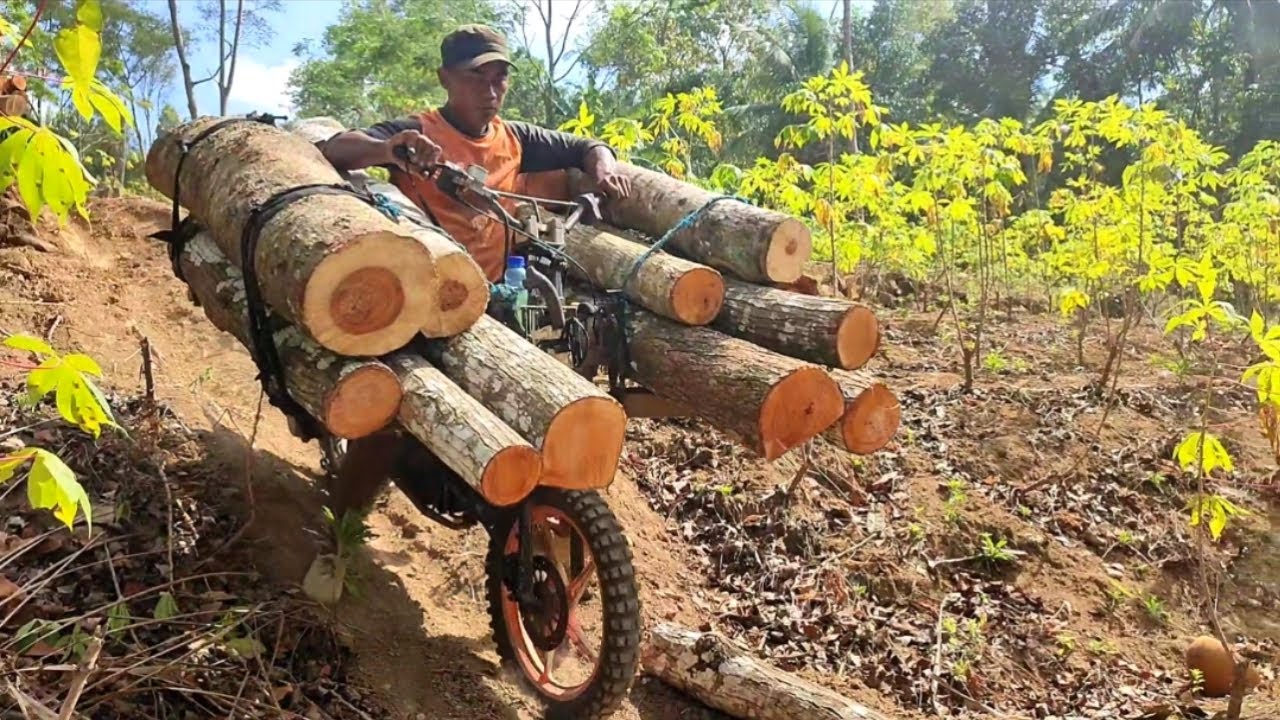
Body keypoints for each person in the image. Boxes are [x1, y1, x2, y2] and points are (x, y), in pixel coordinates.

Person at [318, 24, 632, 283]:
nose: (490, 92)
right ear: (445, 78)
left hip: (498, 290)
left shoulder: (515, 138)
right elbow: (336, 148)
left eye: (499, 79)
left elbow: (588, 147)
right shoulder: (417, 132)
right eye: (476, 77)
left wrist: (604, 173)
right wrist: (387, 149)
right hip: (425, 288)